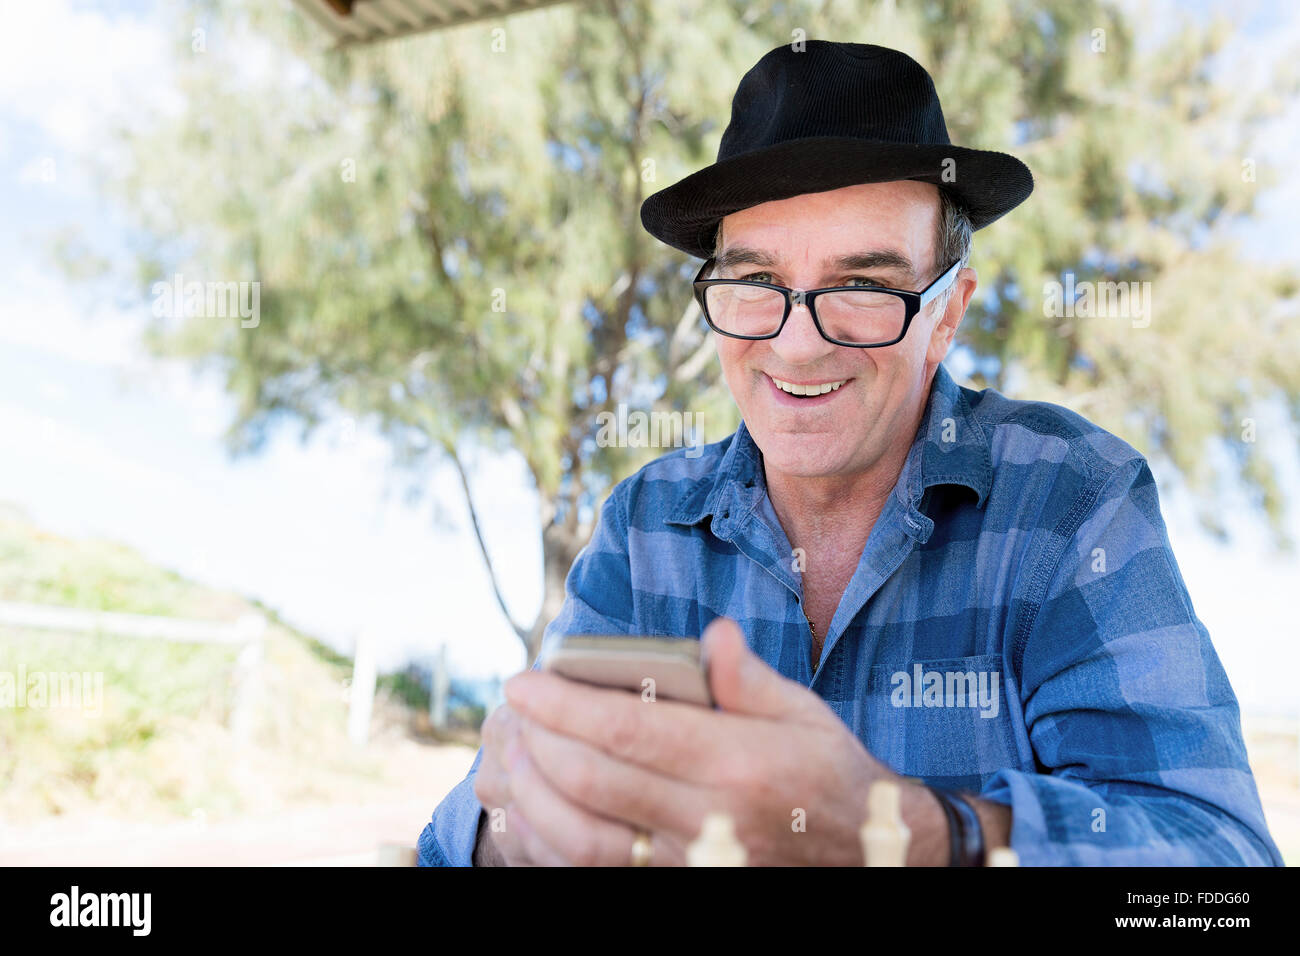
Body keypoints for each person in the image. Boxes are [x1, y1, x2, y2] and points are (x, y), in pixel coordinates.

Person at [417, 40, 1281, 866]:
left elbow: (1215, 875)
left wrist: (908, 837)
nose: (796, 346)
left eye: (863, 287)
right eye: (755, 283)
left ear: (946, 315)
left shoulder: (1070, 500)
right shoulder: (646, 527)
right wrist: (514, 833)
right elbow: (462, 836)